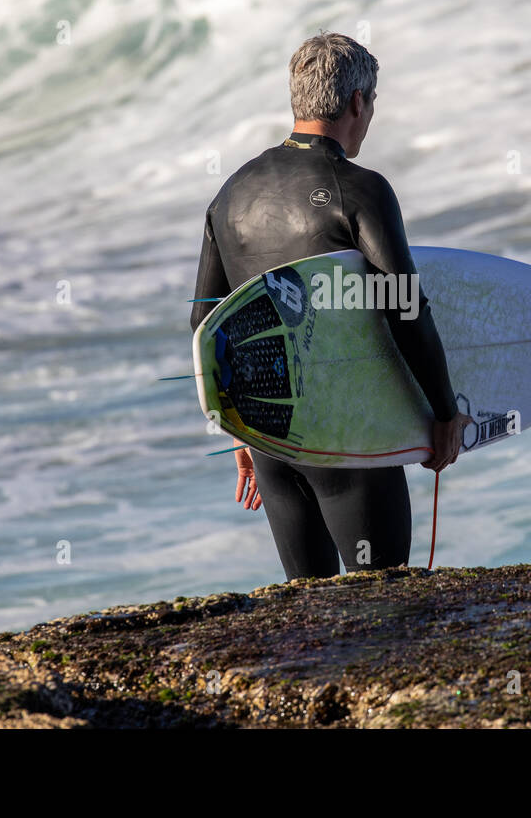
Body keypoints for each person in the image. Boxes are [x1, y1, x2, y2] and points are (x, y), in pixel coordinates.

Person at [190, 31, 472, 580]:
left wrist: (236, 426)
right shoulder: (359, 188)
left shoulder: (230, 194)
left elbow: (206, 321)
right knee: (384, 598)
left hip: (270, 433)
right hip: (346, 431)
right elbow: (403, 306)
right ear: (356, 103)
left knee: (308, 617)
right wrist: (443, 415)